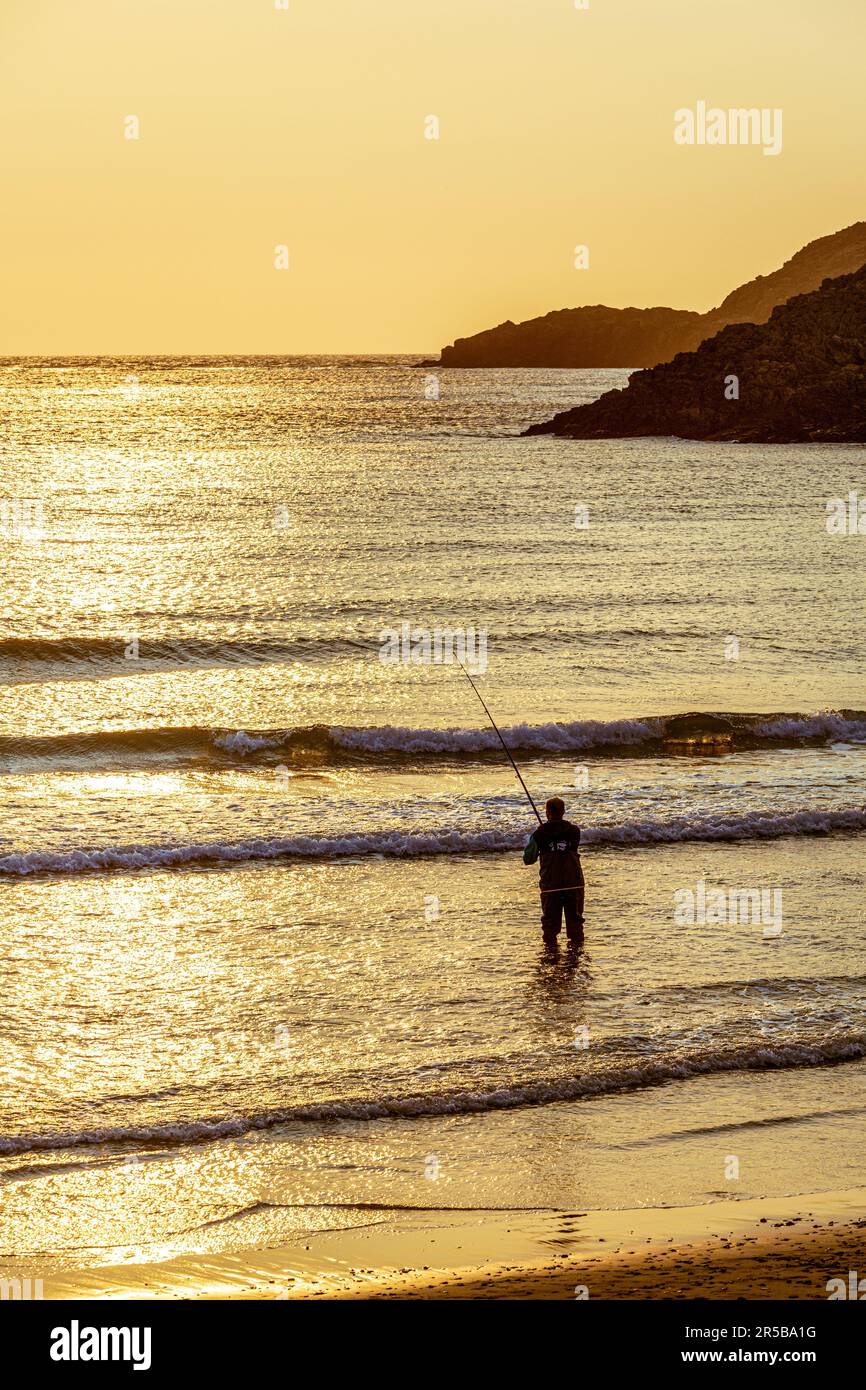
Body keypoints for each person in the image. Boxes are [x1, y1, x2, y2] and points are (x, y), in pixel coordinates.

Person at [523, 796, 585, 944]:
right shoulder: (575, 831)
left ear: (547, 813)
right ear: (563, 811)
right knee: (576, 925)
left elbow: (528, 859)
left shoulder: (539, 834)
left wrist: (541, 842)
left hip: (551, 885)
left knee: (550, 928)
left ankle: (551, 958)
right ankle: (575, 959)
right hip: (574, 883)